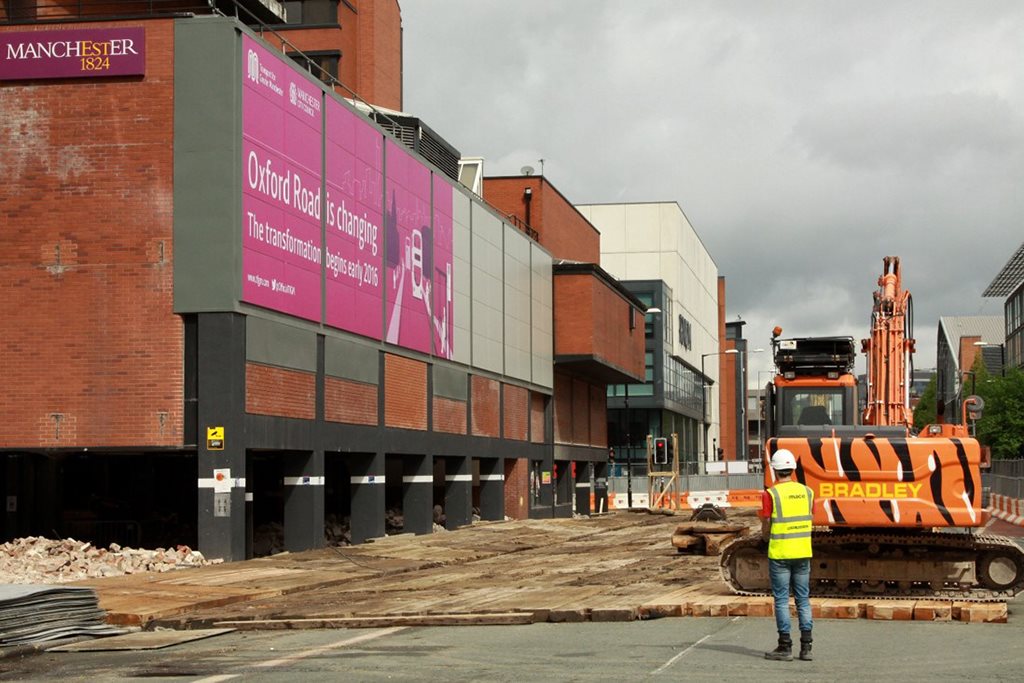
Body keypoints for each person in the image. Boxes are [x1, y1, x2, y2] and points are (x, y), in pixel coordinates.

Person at [760, 448, 814, 662]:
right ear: (792, 468)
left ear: (774, 470)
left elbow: (766, 524)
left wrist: (765, 538)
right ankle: (807, 648)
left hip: (780, 553)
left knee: (782, 600)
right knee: (803, 599)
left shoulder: (771, 494)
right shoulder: (807, 492)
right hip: (803, 552)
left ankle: (785, 646)